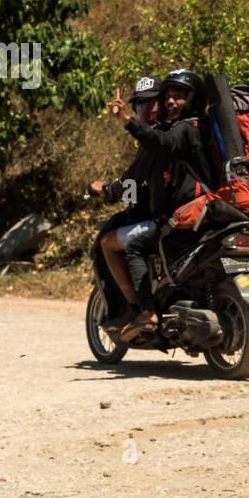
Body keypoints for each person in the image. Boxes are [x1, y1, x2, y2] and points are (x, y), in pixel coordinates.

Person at [106, 69, 216, 341]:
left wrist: (126, 121)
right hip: (199, 213)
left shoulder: (183, 130)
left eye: (177, 97)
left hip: (180, 218)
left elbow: (159, 146)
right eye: (166, 97)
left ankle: (145, 310)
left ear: (192, 100)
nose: (168, 103)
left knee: (131, 245)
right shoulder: (196, 128)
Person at [93, 75, 160, 332]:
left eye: (151, 103)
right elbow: (140, 179)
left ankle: (138, 308)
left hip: (161, 217)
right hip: (167, 210)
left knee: (109, 242)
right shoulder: (171, 132)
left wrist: (108, 190)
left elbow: (131, 181)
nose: (145, 109)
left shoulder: (160, 137)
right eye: (140, 104)